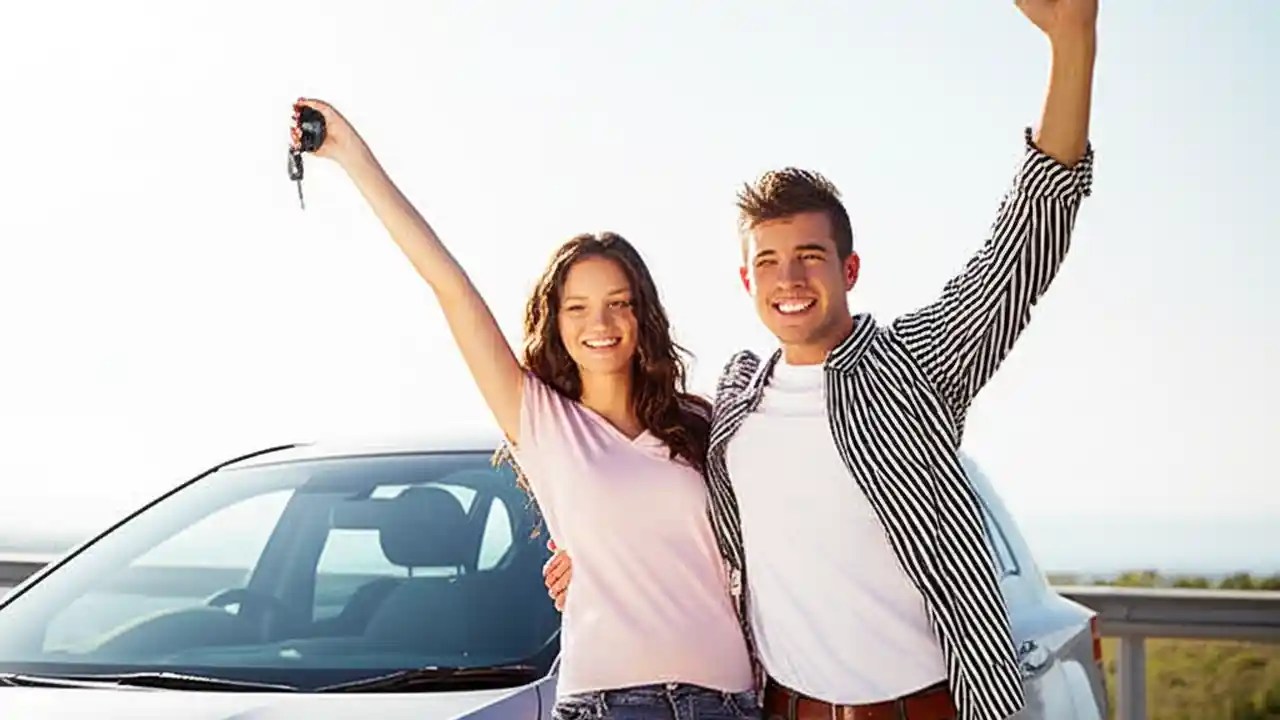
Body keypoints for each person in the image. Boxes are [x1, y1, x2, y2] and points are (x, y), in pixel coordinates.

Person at [542, 1, 1099, 719]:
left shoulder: (919, 363)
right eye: (768, 261)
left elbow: (1027, 236)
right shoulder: (735, 401)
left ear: (850, 268)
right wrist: (587, 564)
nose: (789, 280)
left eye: (810, 256)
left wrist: (1072, 40)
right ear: (747, 282)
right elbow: (660, 507)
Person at [288, 100, 760, 720]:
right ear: (554, 319)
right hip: (611, 705)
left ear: (642, 316)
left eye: (619, 303)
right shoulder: (539, 419)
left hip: (732, 704)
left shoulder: (698, 426)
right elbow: (450, 286)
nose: (601, 323)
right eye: (578, 307)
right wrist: (351, 154)